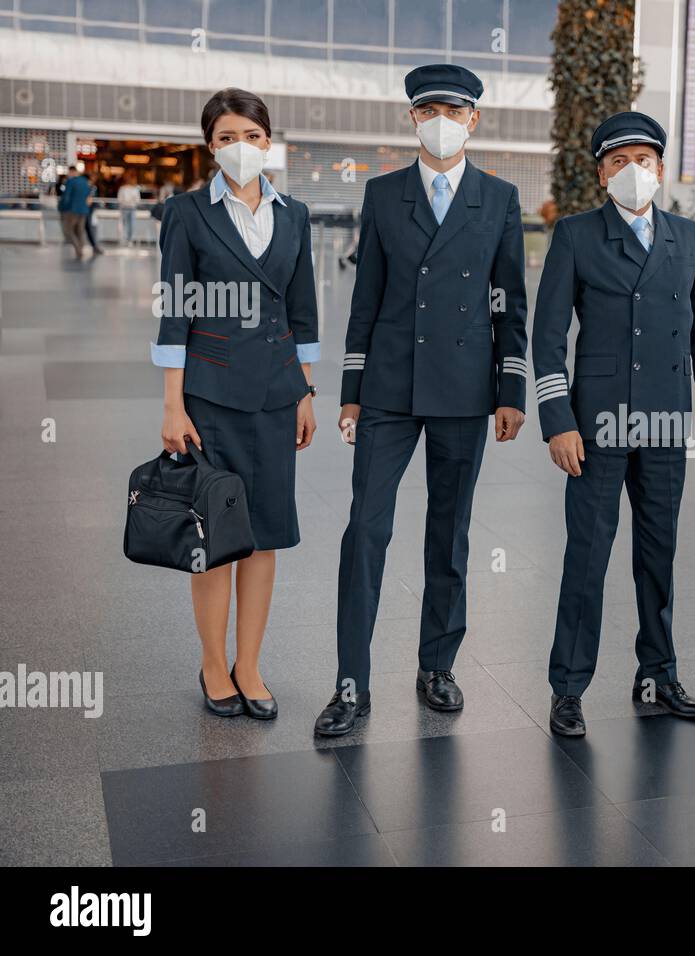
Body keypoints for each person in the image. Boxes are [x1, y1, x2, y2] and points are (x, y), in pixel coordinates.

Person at [313, 64, 528, 737]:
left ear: (474, 120)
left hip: (465, 390)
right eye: (428, 109)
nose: (441, 120)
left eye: (454, 110)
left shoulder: (499, 198)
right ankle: (352, 681)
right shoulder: (383, 195)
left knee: (450, 530)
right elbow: (365, 300)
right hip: (388, 389)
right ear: (412, 118)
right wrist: (349, 391)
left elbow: (510, 303)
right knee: (366, 529)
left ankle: (438, 664)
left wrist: (510, 388)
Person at [531, 111, 695, 737]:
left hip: (667, 423)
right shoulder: (576, 235)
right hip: (597, 426)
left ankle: (658, 673)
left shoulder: (686, 236)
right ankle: (568, 688)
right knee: (587, 555)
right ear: (601, 174)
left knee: (658, 553)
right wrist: (557, 421)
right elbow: (547, 336)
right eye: (619, 162)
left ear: (661, 170)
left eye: (644, 160)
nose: (633, 171)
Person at [151, 88, 320, 720]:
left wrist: (305, 390)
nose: (240, 148)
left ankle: (250, 664)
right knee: (216, 534)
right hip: (210, 396)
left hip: (277, 395)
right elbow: (175, 312)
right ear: (210, 146)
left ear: (268, 142)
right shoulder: (187, 214)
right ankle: (214, 664)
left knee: (263, 536)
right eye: (226, 137)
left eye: (251, 136)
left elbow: (302, 311)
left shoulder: (294, 214)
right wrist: (173, 405)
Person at [57, 165, 93, 258]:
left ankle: (78, 249)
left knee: (69, 230)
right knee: (80, 231)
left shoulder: (70, 182)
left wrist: (61, 208)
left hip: (72, 210)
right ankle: (81, 249)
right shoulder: (85, 182)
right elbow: (89, 197)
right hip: (84, 210)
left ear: (71, 172)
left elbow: (66, 197)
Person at [117, 174, 142, 245]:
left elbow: (137, 200)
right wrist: (127, 201)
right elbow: (120, 199)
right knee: (123, 224)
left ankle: (129, 240)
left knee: (131, 224)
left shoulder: (135, 189)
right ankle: (123, 239)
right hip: (124, 208)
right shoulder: (122, 188)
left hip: (132, 208)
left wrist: (131, 200)